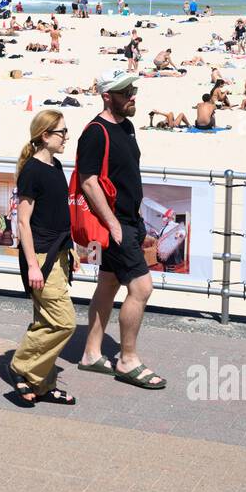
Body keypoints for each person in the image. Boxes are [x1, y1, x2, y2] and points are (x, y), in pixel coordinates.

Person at [76, 70, 165, 390]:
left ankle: (90, 353)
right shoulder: (95, 132)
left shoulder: (126, 127)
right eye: (125, 92)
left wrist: (135, 217)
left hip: (128, 219)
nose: (132, 96)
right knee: (141, 289)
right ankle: (127, 359)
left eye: (133, 90)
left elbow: (125, 176)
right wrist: (112, 223)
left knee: (109, 282)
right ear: (106, 96)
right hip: (112, 224)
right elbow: (87, 181)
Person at [8, 109, 77, 406]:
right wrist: (33, 266)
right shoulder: (32, 171)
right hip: (40, 257)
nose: (66, 137)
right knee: (65, 323)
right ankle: (21, 367)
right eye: (61, 132)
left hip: (59, 253)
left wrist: (71, 251)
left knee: (45, 321)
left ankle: (43, 385)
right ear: (45, 136)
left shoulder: (55, 165)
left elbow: (58, 215)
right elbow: (23, 223)